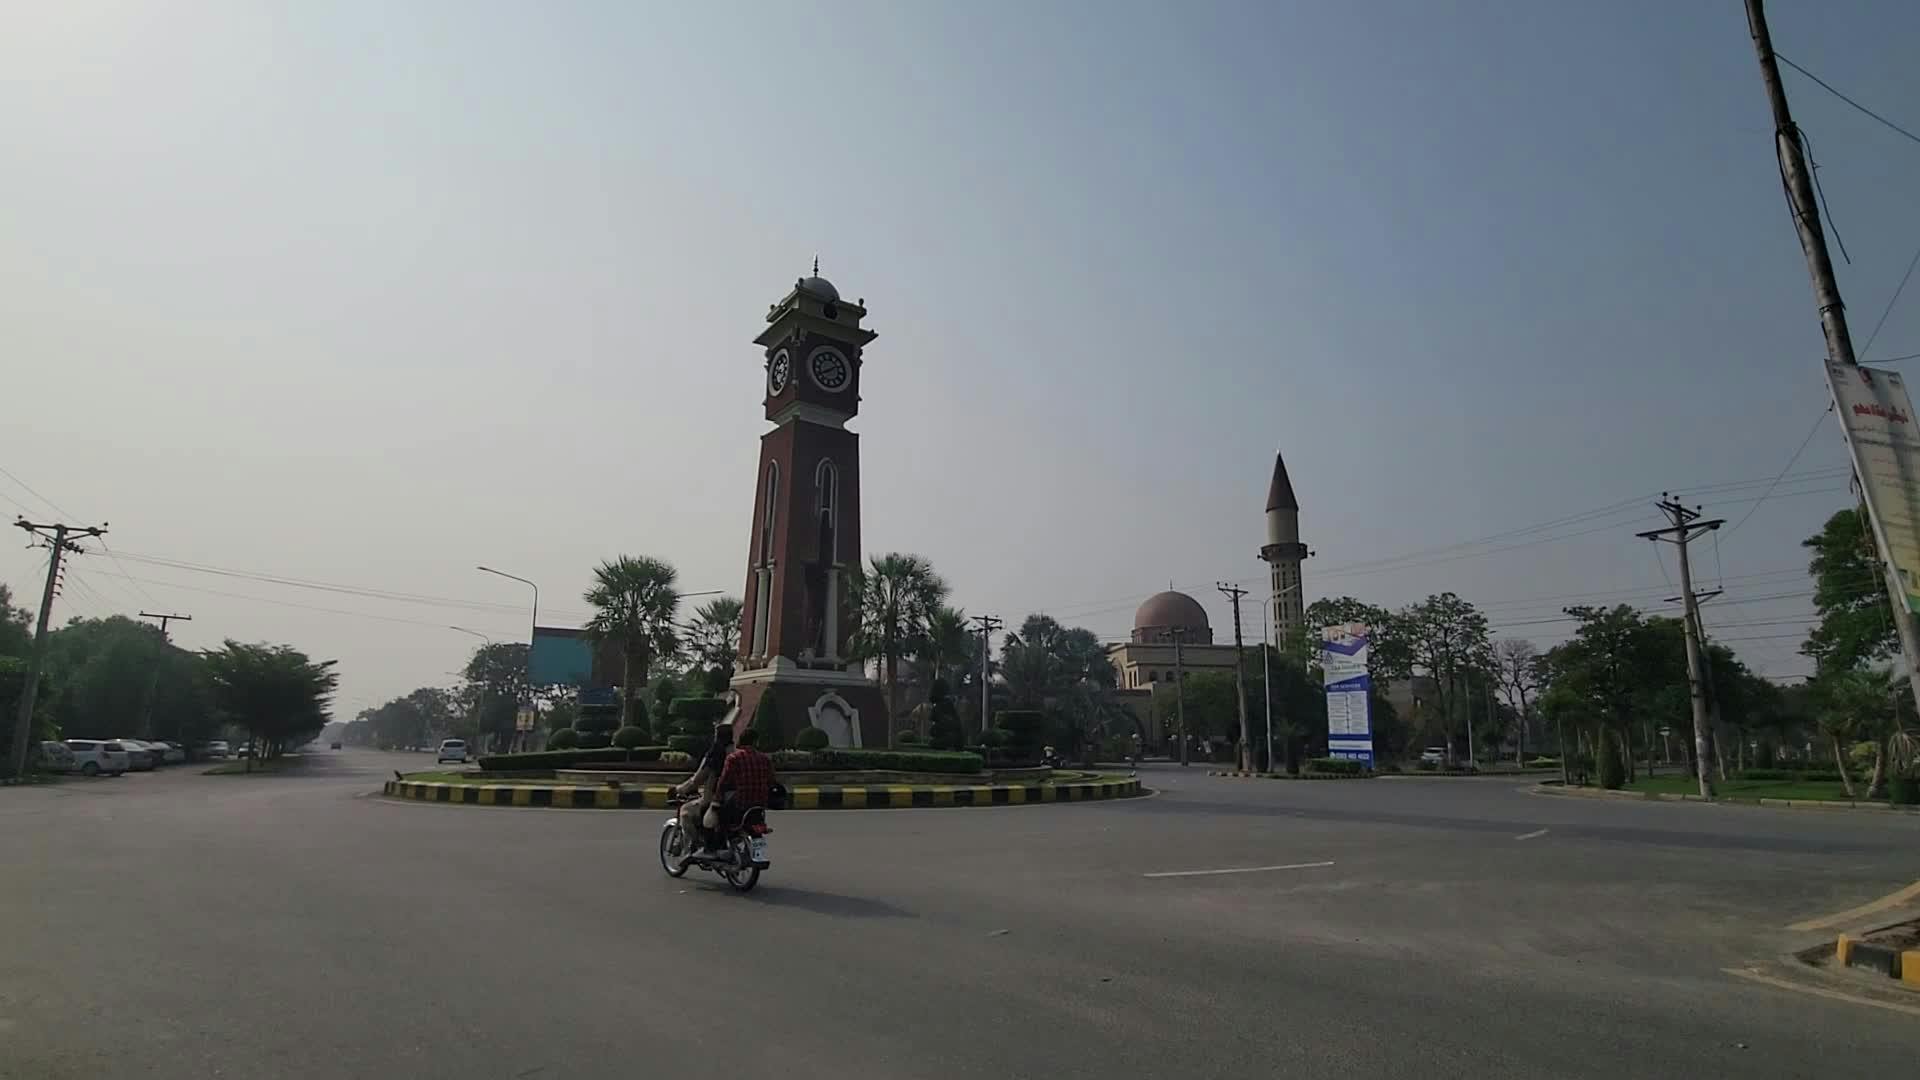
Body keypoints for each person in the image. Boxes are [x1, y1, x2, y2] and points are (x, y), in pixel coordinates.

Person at [672, 722, 732, 856]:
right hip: (735, 800)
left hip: (715, 799)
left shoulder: (715, 754)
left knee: (685, 811)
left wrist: (679, 789)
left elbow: (697, 780)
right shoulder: (736, 753)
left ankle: (698, 846)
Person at [713, 727, 776, 833]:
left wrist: (717, 797)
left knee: (721, 816)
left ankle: (722, 838)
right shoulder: (764, 759)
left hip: (741, 802)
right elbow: (771, 780)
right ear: (755, 742)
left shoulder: (733, 758)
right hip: (760, 803)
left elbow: (724, 780)